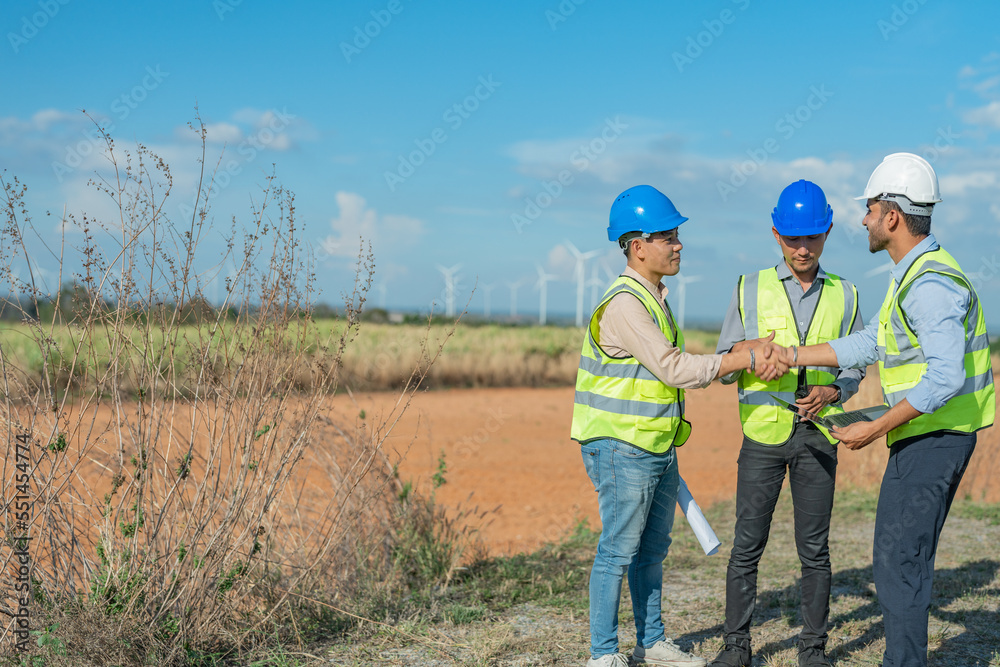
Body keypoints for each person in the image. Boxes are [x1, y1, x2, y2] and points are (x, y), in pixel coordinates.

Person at [763, 153, 995, 667]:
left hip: (935, 437)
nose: (862, 219)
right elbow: (872, 342)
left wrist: (876, 426)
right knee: (906, 558)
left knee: (896, 561)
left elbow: (945, 376)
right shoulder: (912, 274)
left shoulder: (930, 284)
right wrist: (794, 356)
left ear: (891, 216)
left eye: (869, 209)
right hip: (928, 434)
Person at [571, 185, 785, 667]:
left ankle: (652, 642)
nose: (678, 244)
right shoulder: (626, 304)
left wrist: (736, 355)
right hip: (622, 447)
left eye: (676, 235)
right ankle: (603, 655)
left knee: (651, 550)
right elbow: (673, 368)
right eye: (667, 235)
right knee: (618, 551)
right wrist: (739, 358)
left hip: (654, 445)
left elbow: (680, 370)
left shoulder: (653, 299)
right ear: (636, 245)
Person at [710, 180, 865, 667]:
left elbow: (857, 364)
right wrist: (753, 355)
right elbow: (723, 361)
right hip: (762, 434)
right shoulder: (748, 287)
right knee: (746, 546)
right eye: (793, 238)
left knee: (814, 549)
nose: (803, 248)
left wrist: (835, 390)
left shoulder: (847, 293)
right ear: (776, 234)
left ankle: (813, 649)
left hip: (818, 436)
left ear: (828, 232)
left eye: (813, 238)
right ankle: (736, 646)